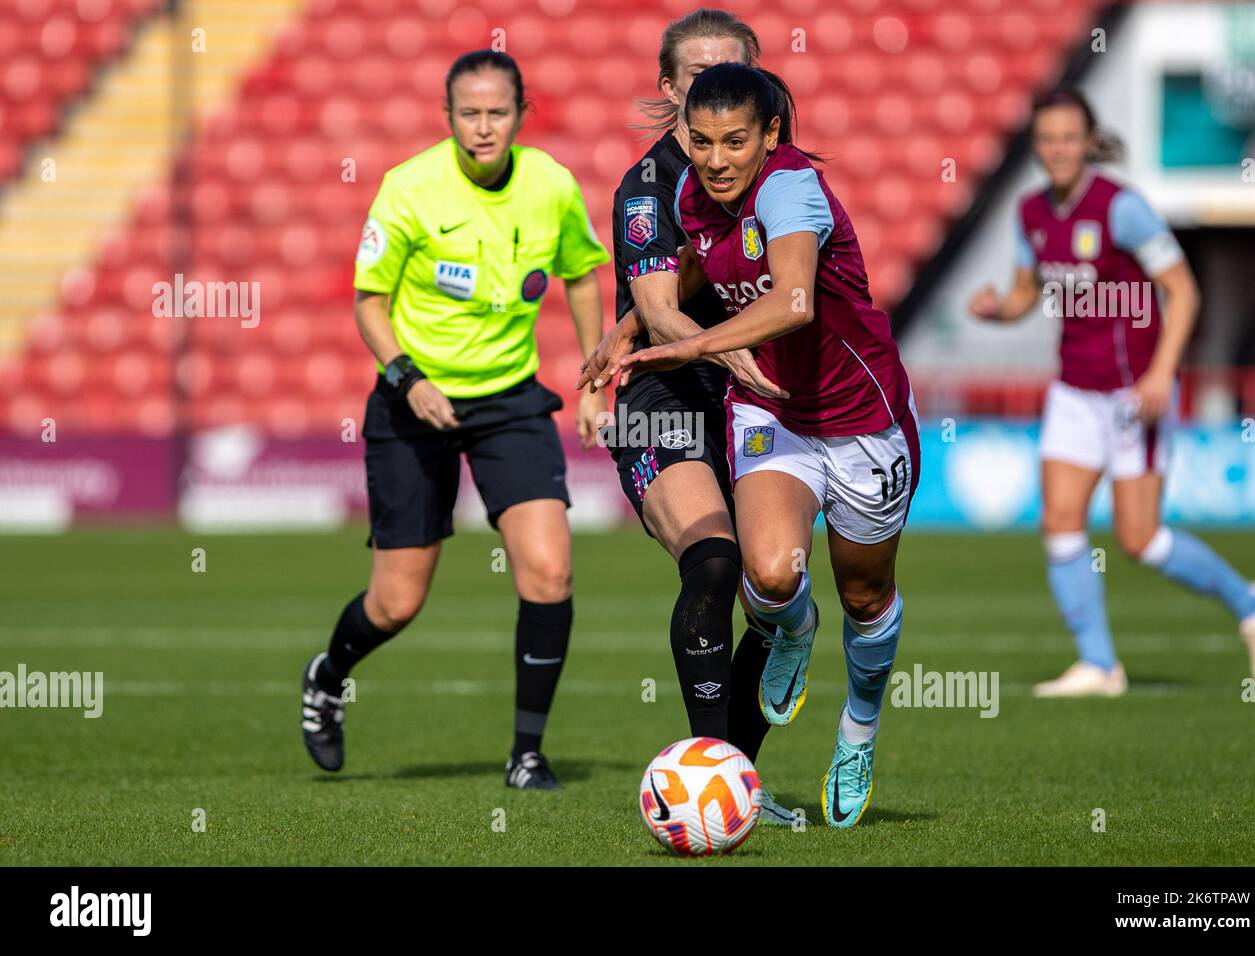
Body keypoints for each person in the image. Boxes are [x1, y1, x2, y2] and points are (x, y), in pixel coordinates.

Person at [611, 63, 921, 829]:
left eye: (735, 141)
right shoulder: (692, 195)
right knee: (771, 575)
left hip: (861, 420)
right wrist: (625, 329)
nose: (715, 159)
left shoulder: (789, 190)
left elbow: (792, 301)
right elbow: (690, 270)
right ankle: (793, 632)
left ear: (771, 135)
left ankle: (857, 731)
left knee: (865, 595)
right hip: (771, 412)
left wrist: (691, 348)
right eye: (703, 140)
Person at [300, 50, 610, 788]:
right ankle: (327, 675)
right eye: (468, 114)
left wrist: (594, 382)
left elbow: (582, 275)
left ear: (521, 116)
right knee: (398, 600)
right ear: (448, 119)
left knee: (550, 568)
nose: (482, 127)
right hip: (415, 403)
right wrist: (407, 378)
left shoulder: (551, 187)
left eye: (496, 112)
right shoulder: (408, 188)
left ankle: (527, 755)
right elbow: (368, 302)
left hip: (509, 400)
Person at [967, 88, 1255, 697]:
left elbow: (1184, 291)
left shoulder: (1122, 208)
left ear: (1087, 143)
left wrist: (1164, 373)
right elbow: (1024, 294)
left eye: (1068, 138)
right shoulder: (1031, 213)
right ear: (1035, 146)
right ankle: (1099, 664)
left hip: (1130, 395)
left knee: (1140, 540)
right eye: (1047, 139)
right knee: (1060, 521)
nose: (1057, 149)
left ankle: (1250, 604)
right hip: (1072, 391)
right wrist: (996, 311)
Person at [578, 8, 794, 826]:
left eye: (727, 72)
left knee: (776, 583)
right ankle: (712, 777)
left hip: (753, 394)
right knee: (713, 562)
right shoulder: (645, 187)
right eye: (694, 74)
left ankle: (736, 777)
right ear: (670, 88)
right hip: (664, 394)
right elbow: (662, 313)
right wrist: (725, 350)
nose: (709, 87)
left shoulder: (786, 178)